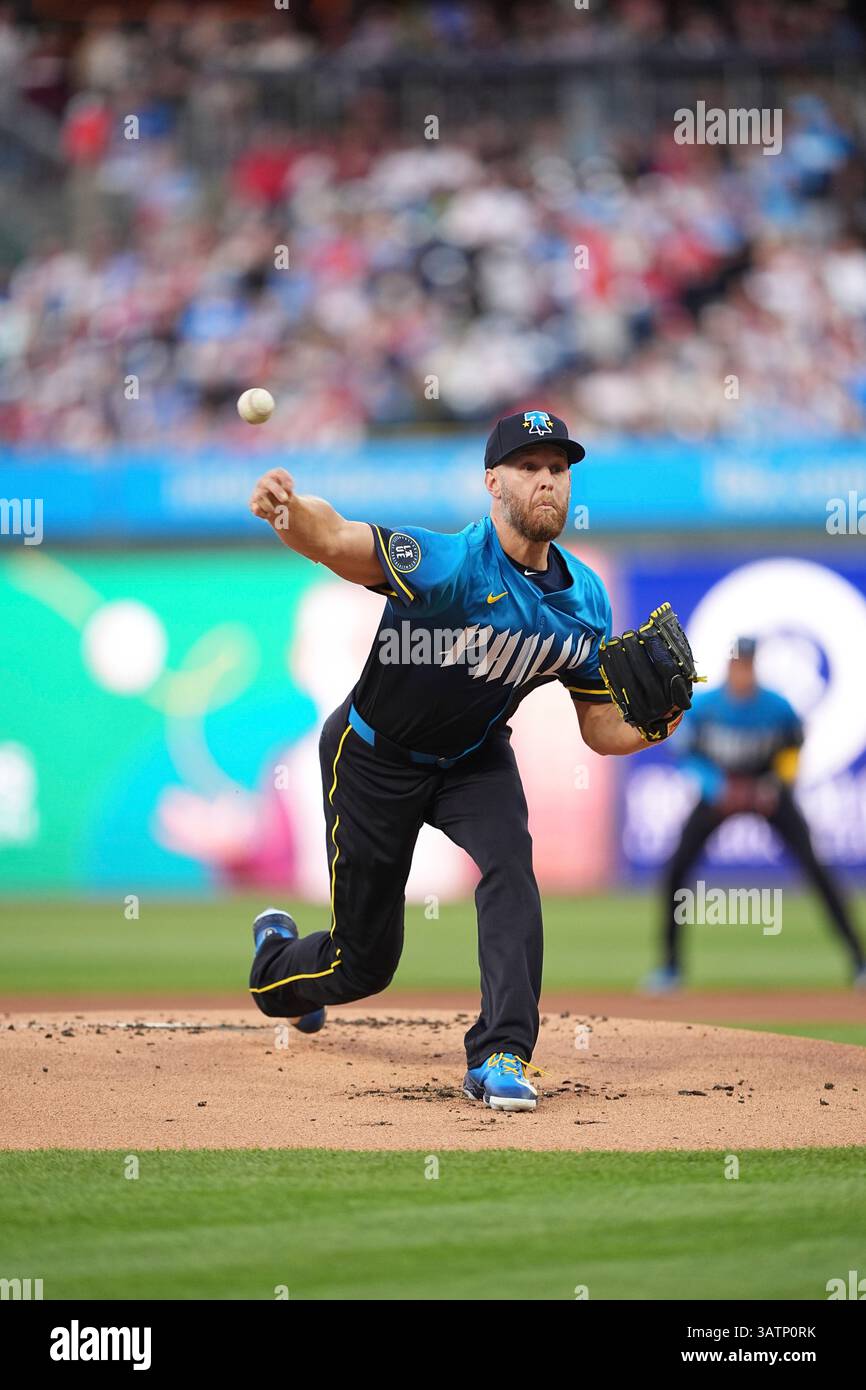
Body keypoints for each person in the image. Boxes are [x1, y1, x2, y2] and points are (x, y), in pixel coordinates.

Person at [247, 410, 687, 1110]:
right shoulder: (450, 565)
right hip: (373, 758)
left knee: (511, 863)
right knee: (362, 964)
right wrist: (290, 512)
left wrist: (657, 724)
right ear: (493, 482)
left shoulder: (587, 601)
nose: (547, 480)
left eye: (559, 468)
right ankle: (276, 959)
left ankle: (501, 1054)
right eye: (528, 466)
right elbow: (335, 539)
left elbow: (599, 727)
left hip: (474, 757)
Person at [646, 637, 866, 992]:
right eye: (738, 665)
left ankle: (860, 961)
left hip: (767, 792)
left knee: (816, 867)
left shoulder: (777, 708)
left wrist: (775, 785)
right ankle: (670, 968)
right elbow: (686, 754)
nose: (743, 672)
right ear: (730, 667)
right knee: (677, 868)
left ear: (755, 667)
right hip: (721, 791)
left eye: (748, 665)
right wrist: (718, 789)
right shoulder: (705, 706)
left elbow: (793, 751)